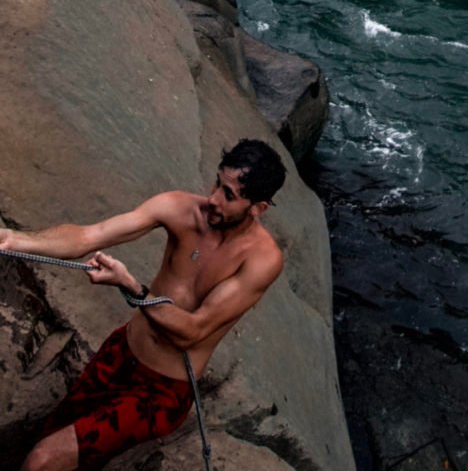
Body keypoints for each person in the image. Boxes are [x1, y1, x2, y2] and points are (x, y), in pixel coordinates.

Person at [0, 138, 286, 471]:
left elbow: (193, 332)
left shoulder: (261, 260)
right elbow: (89, 236)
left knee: (42, 460)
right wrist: (14, 239)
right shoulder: (181, 208)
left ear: (258, 208)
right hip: (120, 354)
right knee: (52, 440)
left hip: (160, 392)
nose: (213, 199)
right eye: (217, 183)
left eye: (229, 195)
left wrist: (132, 287)